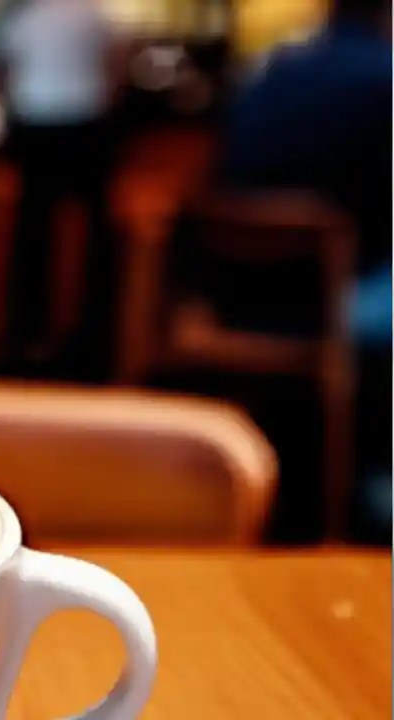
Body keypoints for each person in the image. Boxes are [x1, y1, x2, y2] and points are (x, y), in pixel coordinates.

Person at [219, 0, 391, 541]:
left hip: (231, 295)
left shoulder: (271, 70)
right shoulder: (385, 79)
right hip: (329, 307)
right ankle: (377, 490)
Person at [0, 0, 120, 377]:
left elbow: (2, 71)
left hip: (36, 126)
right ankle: (95, 335)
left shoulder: (24, 16)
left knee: (32, 236)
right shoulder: (94, 13)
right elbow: (116, 67)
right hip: (86, 128)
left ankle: (25, 336)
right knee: (96, 238)